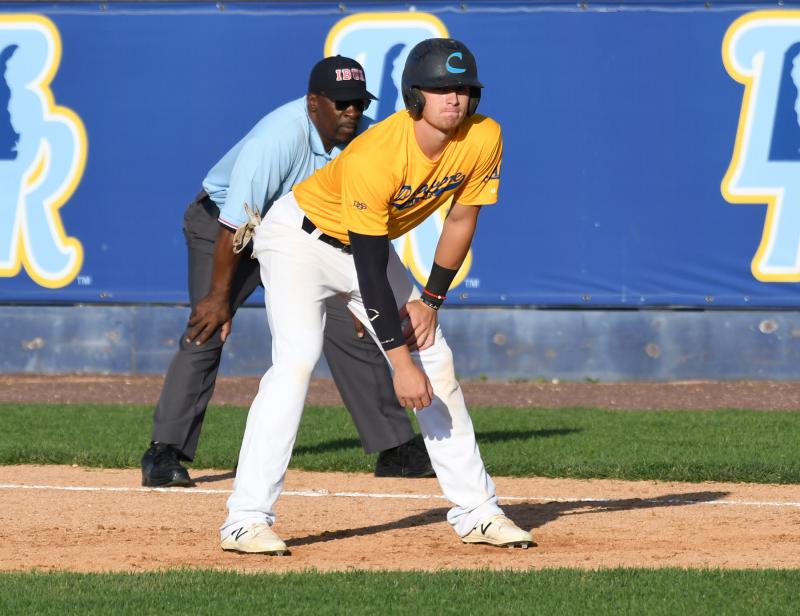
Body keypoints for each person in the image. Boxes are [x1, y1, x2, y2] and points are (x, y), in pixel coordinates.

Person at [219, 39, 534, 554]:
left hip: (364, 245)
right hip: (299, 240)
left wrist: (429, 301)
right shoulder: (378, 153)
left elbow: (462, 218)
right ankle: (245, 519)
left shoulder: (485, 136)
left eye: (462, 88)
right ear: (416, 95)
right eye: (439, 88)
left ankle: (477, 512)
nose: (453, 98)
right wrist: (399, 362)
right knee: (297, 362)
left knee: (439, 359)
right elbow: (366, 267)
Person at [141, 55, 433, 488]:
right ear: (313, 102)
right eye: (340, 103)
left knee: (350, 326)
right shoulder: (279, 137)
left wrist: (360, 293)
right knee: (208, 324)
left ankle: (395, 448)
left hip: (302, 237)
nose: (352, 112)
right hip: (227, 229)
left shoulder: (365, 138)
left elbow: (365, 219)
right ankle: (164, 451)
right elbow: (234, 225)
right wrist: (219, 295)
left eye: (358, 102)